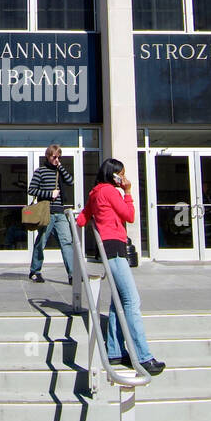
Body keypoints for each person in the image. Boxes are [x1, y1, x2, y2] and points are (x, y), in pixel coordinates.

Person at [76, 159, 164, 376]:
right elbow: (130, 215)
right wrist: (128, 191)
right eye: (121, 174)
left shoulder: (95, 193)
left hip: (107, 247)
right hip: (115, 247)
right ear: (113, 175)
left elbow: (82, 219)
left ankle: (114, 351)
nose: (123, 178)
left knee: (118, 300)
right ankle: (144, 357)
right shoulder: (111, 192)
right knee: (132, 301)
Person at [27, 144, 74, 284]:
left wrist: (60, 167)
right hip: (46, 212)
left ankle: (72, 274)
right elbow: (31, 190)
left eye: (59, 157)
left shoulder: (59, 170)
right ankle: (35, 271)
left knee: (67, 242)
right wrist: (49, 194)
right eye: (54, 156)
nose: (56, 159)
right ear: (48, 156)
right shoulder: (40, 171)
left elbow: (71, 182)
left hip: (60, 212)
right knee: (41, 242)